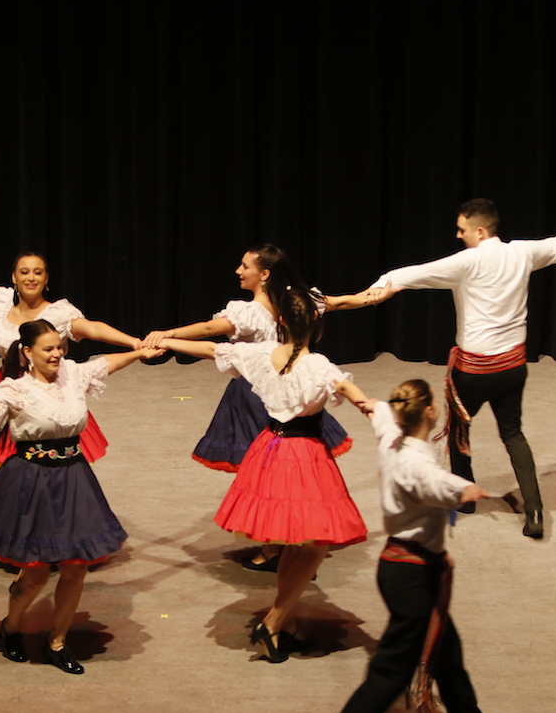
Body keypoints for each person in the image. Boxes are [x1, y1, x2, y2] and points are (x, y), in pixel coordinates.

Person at [0, 322, 164, 674]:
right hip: (32, 481)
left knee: (76, 568)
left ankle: (57, 642)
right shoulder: (15, 391)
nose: (57, 353)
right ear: (27, 353)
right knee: (36, 574)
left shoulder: (72, 374)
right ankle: (11, 627)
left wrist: (139, 353)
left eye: (59, 346)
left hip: (74, 478)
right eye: (48, 349)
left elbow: (107, 364)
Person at [373, 199, 556, 538]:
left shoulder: (468, 260)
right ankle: (534, 510)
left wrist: (381, 285)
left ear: (480, 230)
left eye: (462, 229)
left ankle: (465, 500)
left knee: (459, 431)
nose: (458, 235)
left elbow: (419, 273)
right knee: (513, 433)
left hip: (474, 373)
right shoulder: (522, 252)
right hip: (512, 368)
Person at [161, 273, 369, 663]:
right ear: (316, 326)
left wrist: (164, 340)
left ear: (284, 323)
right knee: (315, 542)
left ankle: (283, 621)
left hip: (270, 450)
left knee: (296, 540)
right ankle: (274, 621)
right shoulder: (318, 364)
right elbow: (343, 387)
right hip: (303, 455)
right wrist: (368, 405)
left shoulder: (260, 355)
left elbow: (210, 349)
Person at [142, 245, 389, 573]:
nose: (238, 271)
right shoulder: (299, 307)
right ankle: (289, 543)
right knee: (291, 473)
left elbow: (207, 335)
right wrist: (378, 294)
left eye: (245, 266)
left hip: (258, 391)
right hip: (298, 390)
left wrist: (167, 336)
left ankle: (275, 548)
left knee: (268, 472)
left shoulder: (253, 316)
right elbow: (344, 304)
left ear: (265, 274)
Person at [313, 378, 499, 713]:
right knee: (388, 674)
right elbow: (436, 484)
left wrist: (349, 388)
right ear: (430, 412)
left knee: (448, 653)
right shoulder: (417, 462)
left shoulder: (392, 433)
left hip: (406, 568)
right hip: (411, 576)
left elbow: (374, 409)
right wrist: (468, 489)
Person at [0, 251, 138, 470]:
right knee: (9, 459)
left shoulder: (58, 313)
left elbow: (93, 328)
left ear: (46, 278)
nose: (31, 278)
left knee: (48, 453)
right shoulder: (1, 304)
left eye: (38, 273)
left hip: (47, 388)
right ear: (14, 277)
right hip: (11, 386)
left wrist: (133, 342)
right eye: (24, 272)